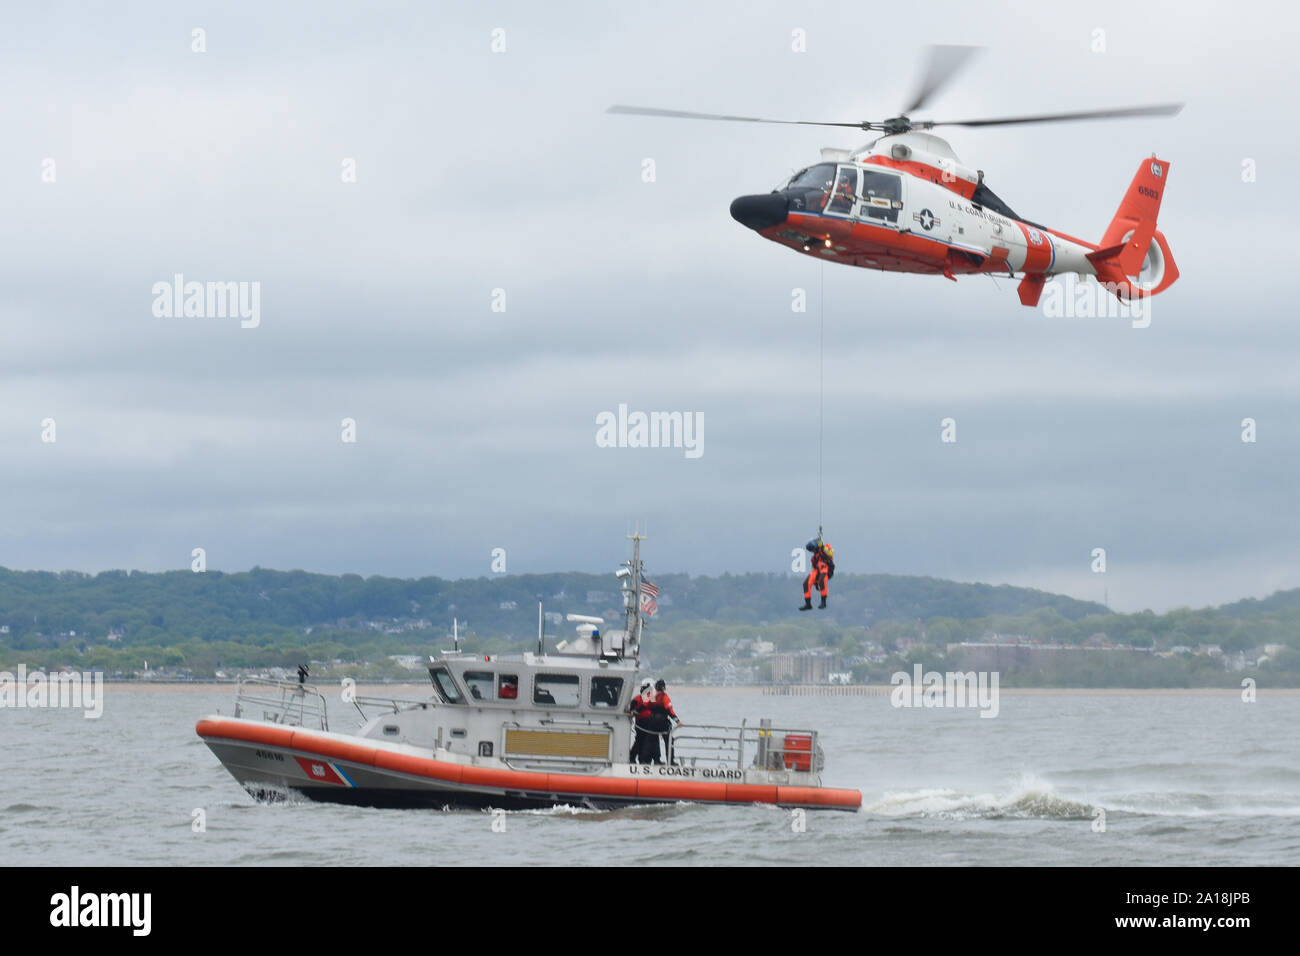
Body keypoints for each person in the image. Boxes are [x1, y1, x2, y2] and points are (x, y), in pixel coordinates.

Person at [647, 679, 683, 765]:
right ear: (663, 687)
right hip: (663, 723)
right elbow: (670, 711)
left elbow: (644, 708)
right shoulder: (664, 697)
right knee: (669, 741)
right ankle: (670, 761)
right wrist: (678, 721)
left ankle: (656, 760)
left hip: (651, 722)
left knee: (654, 741)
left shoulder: (651, 696)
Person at [799, 538, 835, 611]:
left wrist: (822, 548)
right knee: (806, 583)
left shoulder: (825, 548)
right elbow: (813, 569)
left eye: (813, 550)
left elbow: (831, 553)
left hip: (827, 569)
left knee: (822, 580)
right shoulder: (814, 558)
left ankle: (823, 602)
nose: (813, 551)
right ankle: (808, 604)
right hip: (817, 571)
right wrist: (815, 583)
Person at [627, 679, 654, 763]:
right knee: (641, 741)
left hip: (646, 722)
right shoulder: (639, 699)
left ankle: (640, 758)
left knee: (643, 741)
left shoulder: (641, 698)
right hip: (642, 722)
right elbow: (632, 710)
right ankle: (635, 757)